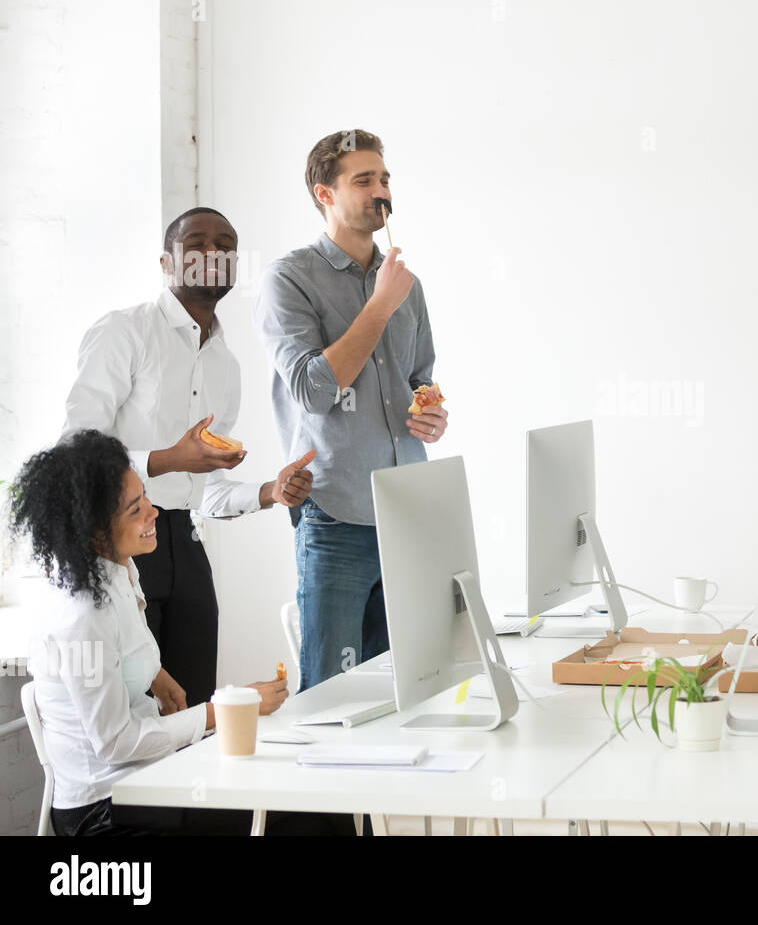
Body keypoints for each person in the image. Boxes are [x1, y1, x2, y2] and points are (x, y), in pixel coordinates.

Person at [11, 431, 351, 835]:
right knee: (308, 817)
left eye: (146, 499)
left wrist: (156, 674)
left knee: (319, 800)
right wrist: (224, 710)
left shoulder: (118, 569)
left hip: (147, 780)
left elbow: (123, 647)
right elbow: (115, 744)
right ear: (93, 529)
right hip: (106, 811)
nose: (154, 513)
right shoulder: (81, 614)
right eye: (136, 509)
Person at [63, 208, 316, 708]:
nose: (213, 253)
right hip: (115, 542)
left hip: (183, 540)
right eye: (196, 243)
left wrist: (269, 491)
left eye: (225, 244)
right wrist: (165, 459)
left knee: (195, 699)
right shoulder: (124, 332)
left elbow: (206, 490)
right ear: (166, 261)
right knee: (137, 704)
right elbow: (75, 451)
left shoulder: (226, 365)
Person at [253, 129, 446, 690]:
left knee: (406, 691)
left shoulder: (406, 285)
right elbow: (313, 389)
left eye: (383, 178)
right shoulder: (288, 279)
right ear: (324, 194)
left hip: (409, 518)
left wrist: (431, 414)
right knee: (332, 701)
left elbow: (420, 380)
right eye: (363, 180)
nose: (379, 190)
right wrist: (381, 305)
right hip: (336, 518)